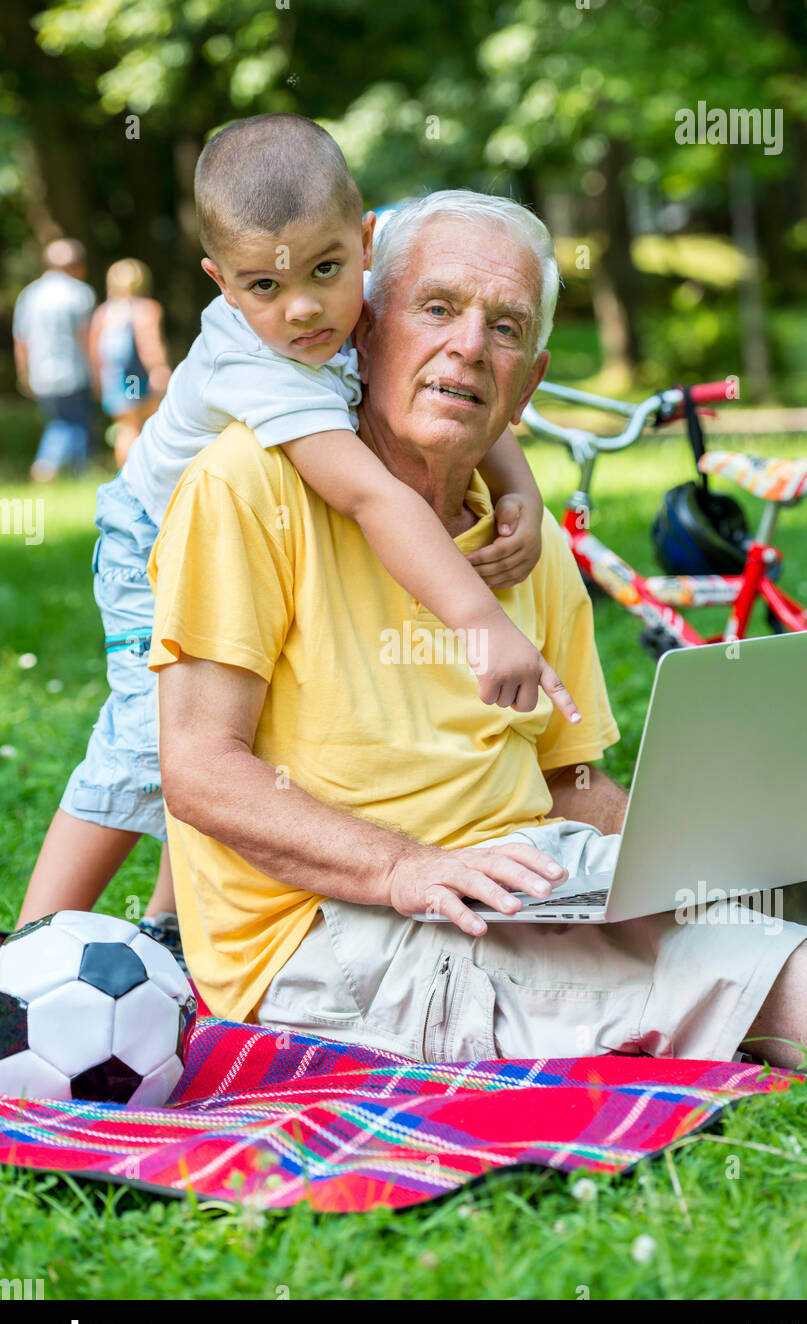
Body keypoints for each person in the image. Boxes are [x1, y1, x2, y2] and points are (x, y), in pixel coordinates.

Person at [148, 191, 807, 1068]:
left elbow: (566, 785)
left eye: (503, 327)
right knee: (763, 974)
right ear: (363, 331)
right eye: (438, 308)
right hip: (336, 929)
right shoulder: (246, 489)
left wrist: (703, 853)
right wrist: (401, 869)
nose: (467, 347)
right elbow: (198, 769)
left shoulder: (526, 547)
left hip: (530, 876)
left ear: (528, 381)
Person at [16, 116, 574, 953]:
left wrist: (518, 486)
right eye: (264, 288)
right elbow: (370, 499)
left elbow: (459, 382)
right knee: (153, 738)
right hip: (148, 541)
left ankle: (172, 925)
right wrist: (480, 622)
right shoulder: (261, 361)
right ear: (220, 282)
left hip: (241, 534)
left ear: (366, 243)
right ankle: (28, 950)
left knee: (251, 709)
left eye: (325, 269)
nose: (305, 308)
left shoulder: (341, 300)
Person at [12, 238, 95, 483]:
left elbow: (21, 340)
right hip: (75, 370)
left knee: (59, 421)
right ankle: (51, 467)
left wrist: (23, 374)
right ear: (76, 265)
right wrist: (98, 374)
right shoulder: (80, 293)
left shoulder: (29, 294)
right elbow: (86, 338)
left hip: (41, 373)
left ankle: (67, 472)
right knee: (75, 424)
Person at [90, 258, 171, 467]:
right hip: (136, 376)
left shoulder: (104, 312)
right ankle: (142, 473)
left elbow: (95, 350)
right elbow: (149, 344)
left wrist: (98, 381)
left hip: (114, 378)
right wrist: (159, 369)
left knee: (125, 427)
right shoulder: (145, 308)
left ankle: (125, 474)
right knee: (144, 425)